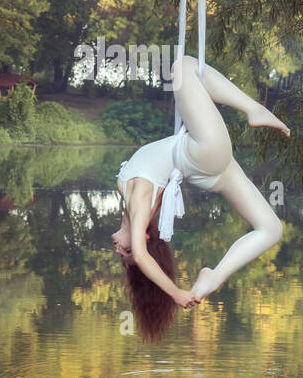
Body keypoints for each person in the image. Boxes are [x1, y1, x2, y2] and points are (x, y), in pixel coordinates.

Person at [111, 55, 288, 340]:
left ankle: (213, 277)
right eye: (128, 251)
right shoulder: (138, 202)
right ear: (142, 238)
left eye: (123, 255)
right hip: (202, 153)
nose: (119, 251)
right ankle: (254, 109)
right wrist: (176, 294)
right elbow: (143, 257)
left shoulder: (125, 194)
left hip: (205, 169)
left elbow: (141, 254)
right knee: (183, 67)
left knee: (271, 229)